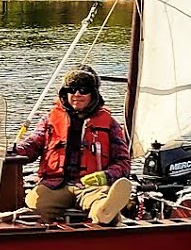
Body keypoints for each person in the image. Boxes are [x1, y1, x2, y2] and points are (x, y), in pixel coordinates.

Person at [10, 65, 132, 225]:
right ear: (64, 93)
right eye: (72, 89)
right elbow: (32, 143)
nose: (77, 94)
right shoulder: (49, 120)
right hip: (54, 185)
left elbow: (123, 162)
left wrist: (106, 176)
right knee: (34, 206)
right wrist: (12, 150)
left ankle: (105, 212)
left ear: (93, 94)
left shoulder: (109, 124)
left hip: (91, 185)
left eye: (83, 90)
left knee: (100, 202)